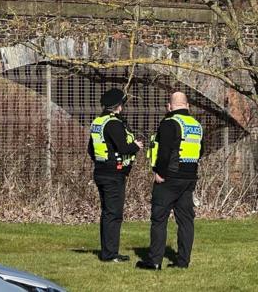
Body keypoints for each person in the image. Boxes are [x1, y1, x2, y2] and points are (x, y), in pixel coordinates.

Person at [136, 91, 203, 271]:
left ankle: (154, 261)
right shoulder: (196, 125)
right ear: (187, 106)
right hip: (189, 177)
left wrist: (160, 172)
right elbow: (201, 151)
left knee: (159, 218)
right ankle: (183, 261)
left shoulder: (169, 123)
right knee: (186, 220)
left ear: (169, 106)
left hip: (170, 177)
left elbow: (164, 152)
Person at [87, 88, 142, 262]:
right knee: (114, 214)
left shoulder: (98, 122)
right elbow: (124, 148)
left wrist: (102, 162)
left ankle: (108, 251)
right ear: (118, 106)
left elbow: (91, 150)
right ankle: (110, 254)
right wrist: (136, 146)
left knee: (107, 212)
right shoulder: (114, 123)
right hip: (113, 174)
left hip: (100, 171)